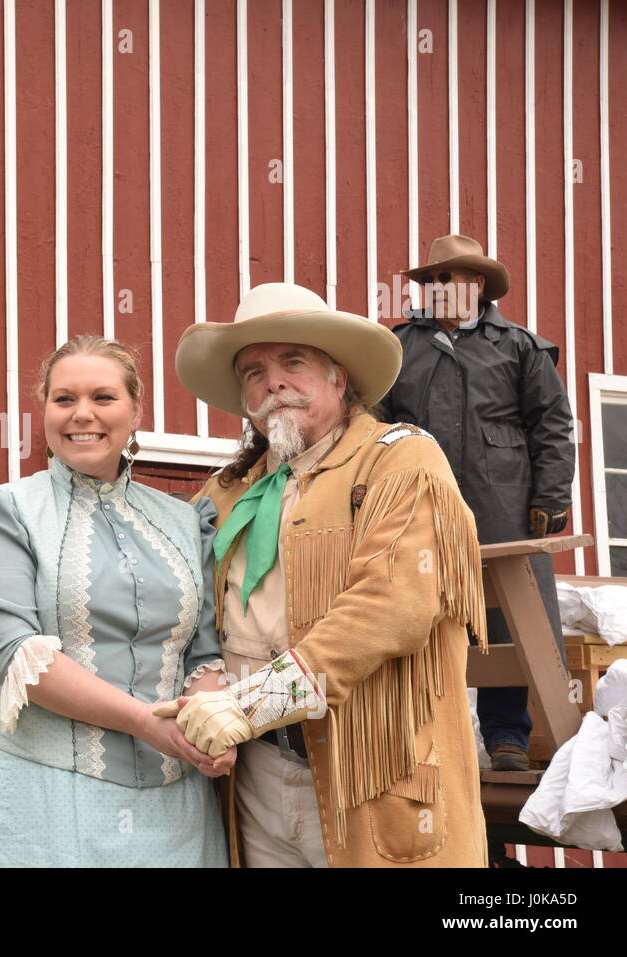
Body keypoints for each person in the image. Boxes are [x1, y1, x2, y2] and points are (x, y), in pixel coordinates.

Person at [161, 281, 489, 866]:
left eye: (293, 362)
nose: (273, 383)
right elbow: (179, 601)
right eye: (254, 372)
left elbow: (393, 605)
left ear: (340, 378)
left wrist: (249, 705)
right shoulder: (228, 492)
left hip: (369, 772)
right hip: (253, 777)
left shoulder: (401, 458)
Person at [0, 336, 230, 867]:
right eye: (64, 399)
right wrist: (145, 722)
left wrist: (208, 724)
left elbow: (202, 654)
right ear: (43, 411)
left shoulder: (185, 522)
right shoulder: (3, 510)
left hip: (172, 818)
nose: (82, 414)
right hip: (19, 804)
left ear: (135, 412)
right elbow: (14, 653)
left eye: (103, 398)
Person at [383, 234, 575, 772]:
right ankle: (420, 736)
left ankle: (507, 736)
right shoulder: (400, 348)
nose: (443, 287)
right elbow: (375, 424)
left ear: (478, 286)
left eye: (455, 277)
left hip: (504, 506)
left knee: (504, 618)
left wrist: (551, 496)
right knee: (415, 613)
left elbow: (553, 426)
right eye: (435, 279)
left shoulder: (520, 347)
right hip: (419, 505)